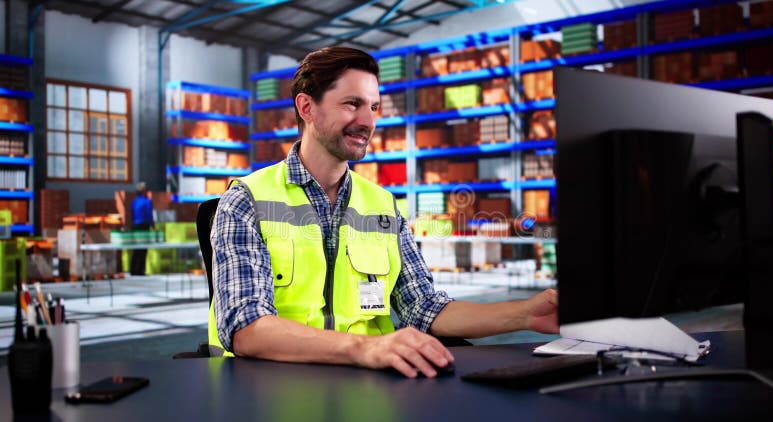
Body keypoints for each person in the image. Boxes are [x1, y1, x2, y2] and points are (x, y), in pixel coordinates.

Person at [210, 46, 559, 378]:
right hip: (270, 388)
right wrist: (365, 348)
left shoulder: (383, 206)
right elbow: (246, 328)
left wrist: (525, 314)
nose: (367, 121)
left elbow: (423, 307)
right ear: (307, 108)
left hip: (365, 388)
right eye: (352, 104)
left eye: (374, 107)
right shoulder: (247, 200)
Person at [130, 181, 153, 276]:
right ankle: (140, 270)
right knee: (143, 248)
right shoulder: (147, 202)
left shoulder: (134, 202)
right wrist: (152, 225)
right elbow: (149, 215)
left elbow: (132, 214)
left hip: (135, 226)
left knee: (136, 248)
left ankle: (133, 269)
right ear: (144, 191)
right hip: (144, 225)